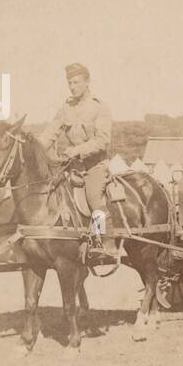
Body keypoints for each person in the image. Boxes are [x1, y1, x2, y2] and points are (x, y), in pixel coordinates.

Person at [36, 62, 115, 254]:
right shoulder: (66, 108)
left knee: (94, 197)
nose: (72, 86)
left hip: (94, 167)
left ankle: (104, 242)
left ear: (87, 82)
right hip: (71, 167)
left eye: (76, 82)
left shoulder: (99, 107)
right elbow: (50, 133)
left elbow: (103, 140)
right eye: (69, 83)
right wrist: (34, 148)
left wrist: (77, 150)